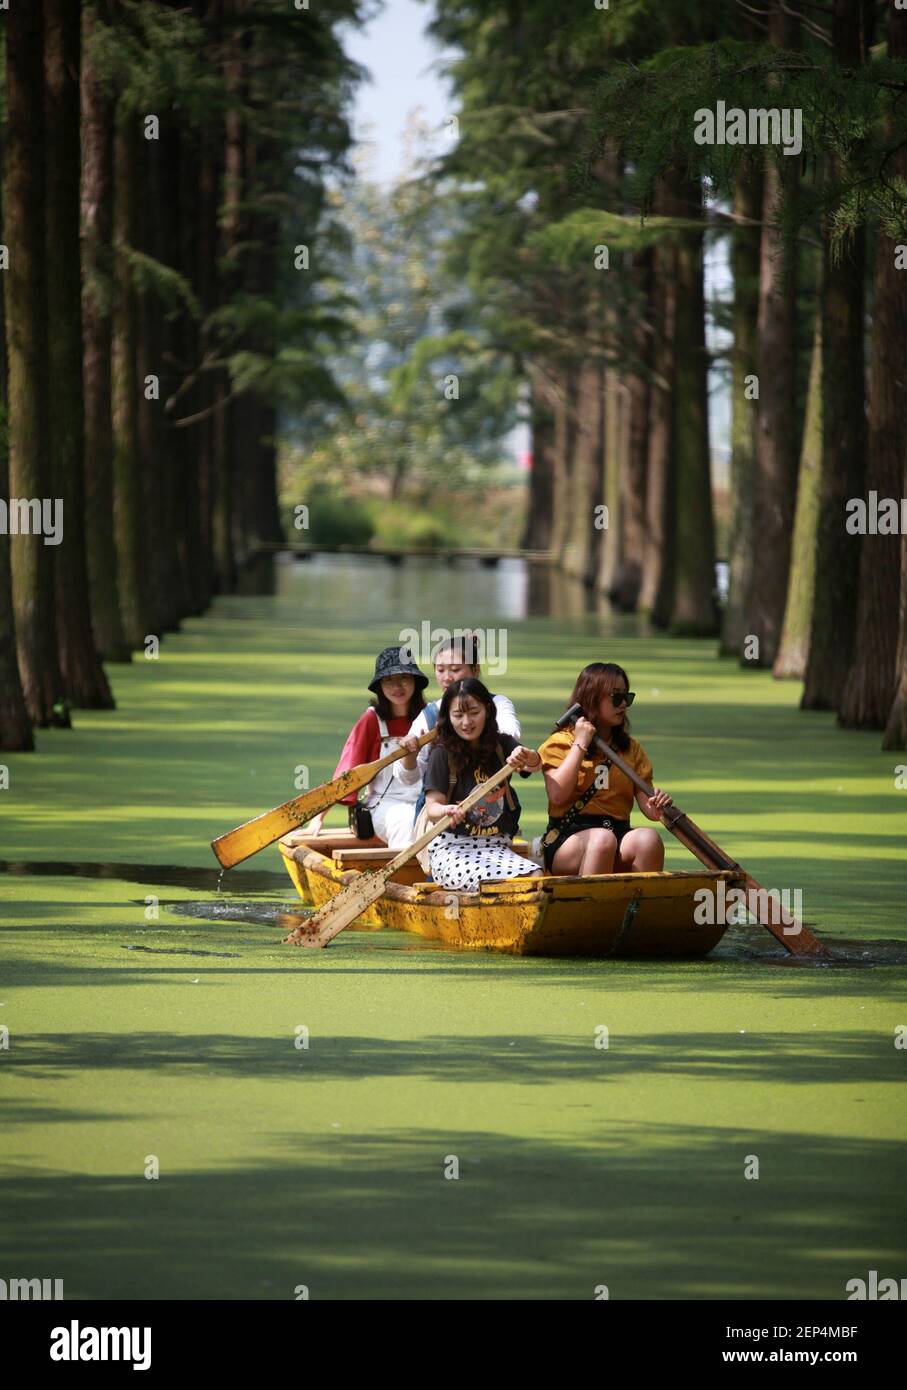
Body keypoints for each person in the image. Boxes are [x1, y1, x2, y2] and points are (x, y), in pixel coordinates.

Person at [282, 645, 429, 850]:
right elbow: (347, 774)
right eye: (389, 680)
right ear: (380, 685)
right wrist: (318, 818)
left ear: (415, 682)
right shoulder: (372, 720)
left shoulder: (429, 717)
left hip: (427, 801)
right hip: (384, 805)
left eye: (404, 677)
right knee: (405, 822)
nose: (397, 686)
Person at [538, 662, 673, 876]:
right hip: (569, 838)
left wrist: (656, 805)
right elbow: (557, 794)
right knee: (602, 840)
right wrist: (580, 743)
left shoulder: (631, 748)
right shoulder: (561, 742)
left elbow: (648, 808)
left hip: (618, 831)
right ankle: (588, 908)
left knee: (649, 840)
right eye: (616, 697)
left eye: (626, 697)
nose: (623, 705)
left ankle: (638, 908)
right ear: (592, 697)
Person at [422, 677, 542, 892]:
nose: (466, 722)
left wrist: (526, 755)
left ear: (487, 709)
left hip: (496, 846)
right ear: (448, 717)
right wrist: (447, 810)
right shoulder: (441, 753)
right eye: (458, 715)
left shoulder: (500, 744)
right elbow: (432, 808)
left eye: (474, 713)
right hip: (453, 849)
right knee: (495, 883)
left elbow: (535, 764)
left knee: (536, 877)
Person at [393, 632, 520, 815]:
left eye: (454, 669)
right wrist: (410, 755)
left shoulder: (497, 705)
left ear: (475, 670)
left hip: (491, 811)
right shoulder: (429, 716)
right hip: (440, 814)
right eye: (440, 669)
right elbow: (406, 779)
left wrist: (460, 729)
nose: (446, 678)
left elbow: (511, 736)